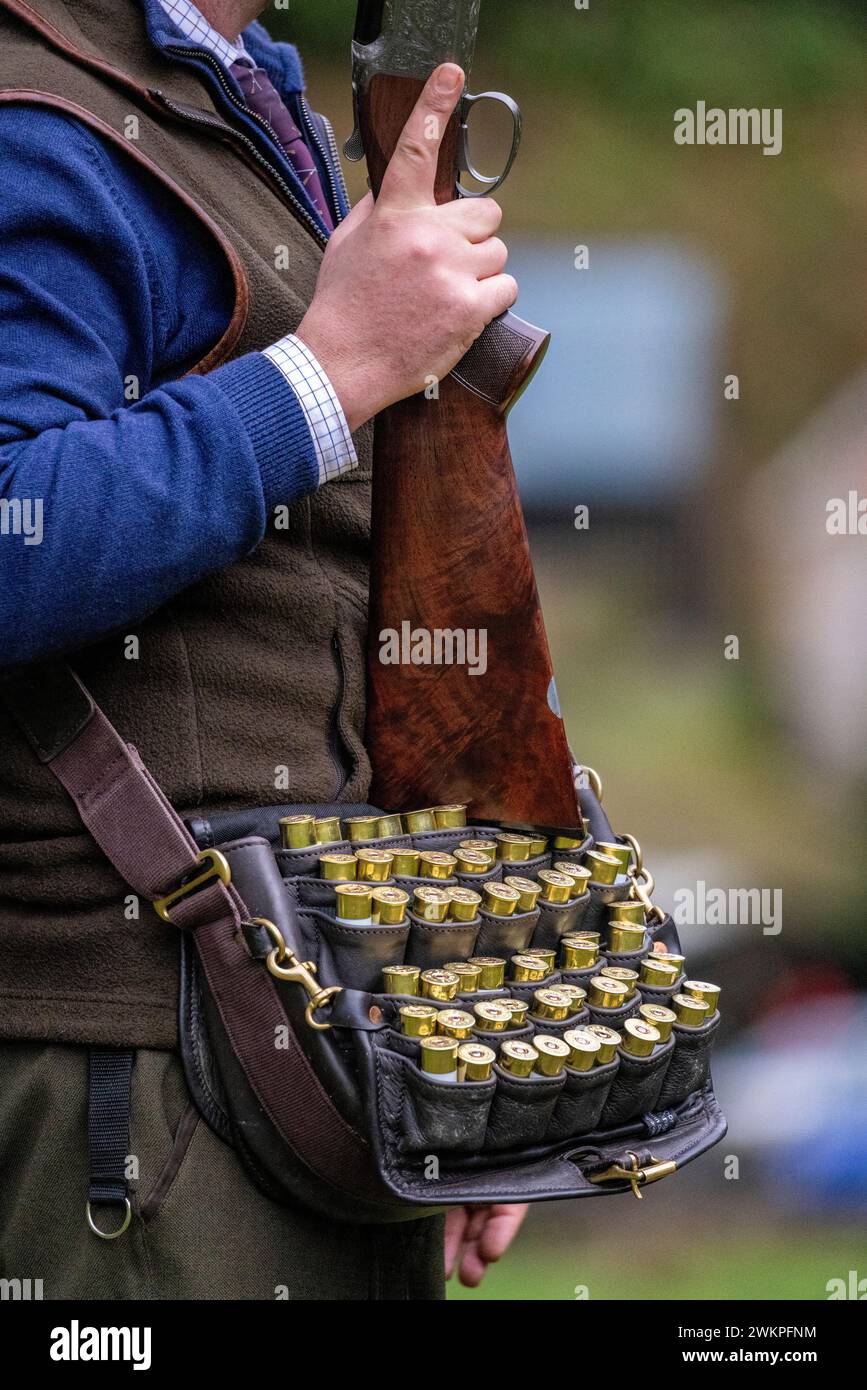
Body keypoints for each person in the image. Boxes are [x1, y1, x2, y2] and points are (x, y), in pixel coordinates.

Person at [0, 0, 527, 1299]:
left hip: (328, 1048)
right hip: (137, 1082)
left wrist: (460, 1018)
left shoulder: (239, 76)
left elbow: (335, 603)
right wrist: (331, 368)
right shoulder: (34, 108)